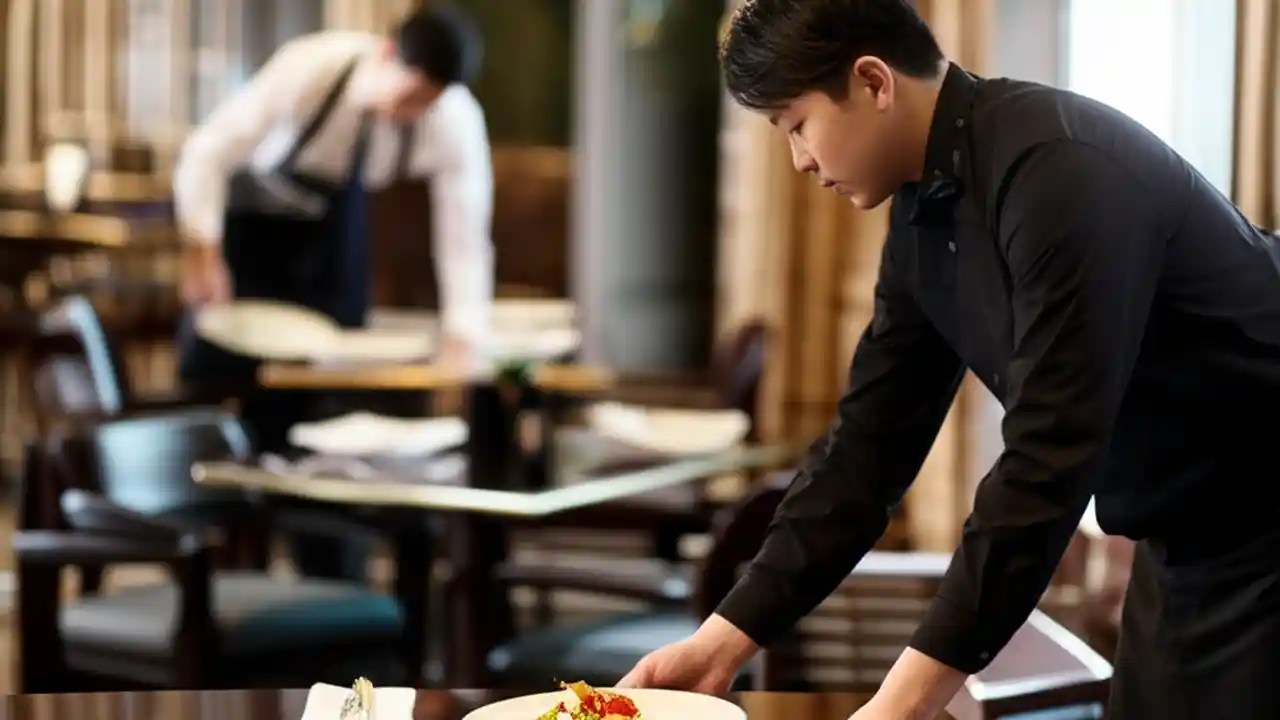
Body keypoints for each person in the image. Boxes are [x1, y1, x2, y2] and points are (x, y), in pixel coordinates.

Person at [619, 1, 1280, 718]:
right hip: (1187, 538)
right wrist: (721, 641)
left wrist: (897, 705)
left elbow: (1046, 463)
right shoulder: (921, 218)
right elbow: (863, 456)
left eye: (797, 124)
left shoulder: (1061, 170)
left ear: (873, 82)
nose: (800, 160)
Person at [172, 5, 492, 580]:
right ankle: (220, 573)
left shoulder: (455, 118)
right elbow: (207, 151)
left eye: (428, 102)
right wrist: (203, 248)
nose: (412, 111)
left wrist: (463, 336)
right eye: (411, 93)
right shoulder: (312, 67)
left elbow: (464, 235)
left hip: (331, 257)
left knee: (322, 426)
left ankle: (328, 587)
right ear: (387, 54)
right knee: (232, 424)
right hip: (252, 255)